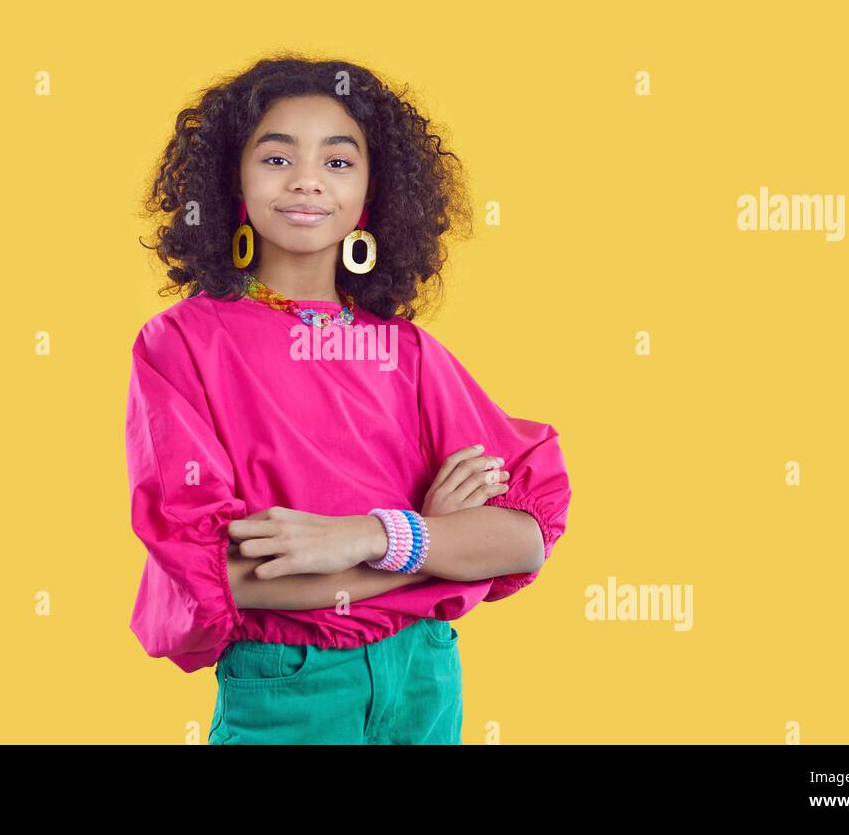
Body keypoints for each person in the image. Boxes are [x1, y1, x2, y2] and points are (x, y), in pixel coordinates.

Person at [126, 54, 572, 744]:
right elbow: (229, 573)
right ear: (233, 182)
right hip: (291, 687)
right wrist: (432, 544)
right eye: (277, 158)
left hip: (425, 679)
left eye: (338, 163)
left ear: (372, 194)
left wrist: (368, 536)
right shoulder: (184, 344)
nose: (307, 180)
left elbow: (523, 538)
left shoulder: (411, 355)